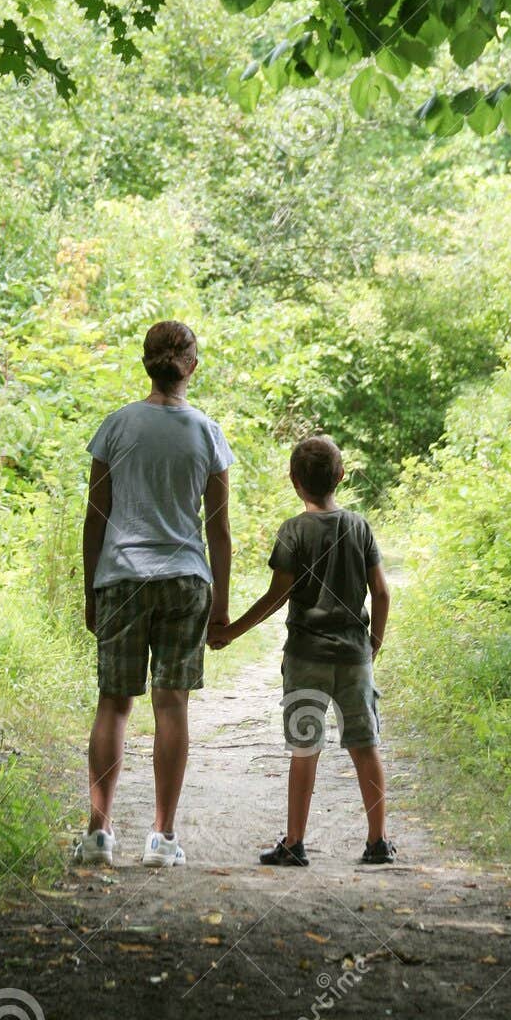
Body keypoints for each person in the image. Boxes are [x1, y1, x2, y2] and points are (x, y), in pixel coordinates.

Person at [74, 320, 233, 868]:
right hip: (186, 580)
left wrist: (91, 588)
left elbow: (96, 518)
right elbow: (219, 530)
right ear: (192, 365)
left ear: (146, 362)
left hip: (120, 577)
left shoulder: (116, 426)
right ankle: (162, 838)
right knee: (171, 705)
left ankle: (98, 832)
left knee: (114, 704)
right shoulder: (207, 433)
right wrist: (224, 603)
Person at [208, 435, 395, 866]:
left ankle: (294, 843)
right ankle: (378, 841)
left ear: (294, 481)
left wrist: (231, 631)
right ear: (341, 476)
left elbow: (277, 596)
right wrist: (374, 644)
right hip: (354, 658)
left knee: (305, 747)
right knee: (365, 746)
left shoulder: (293, 531)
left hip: (306, 657)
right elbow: (381, 593)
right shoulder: (360, 527)